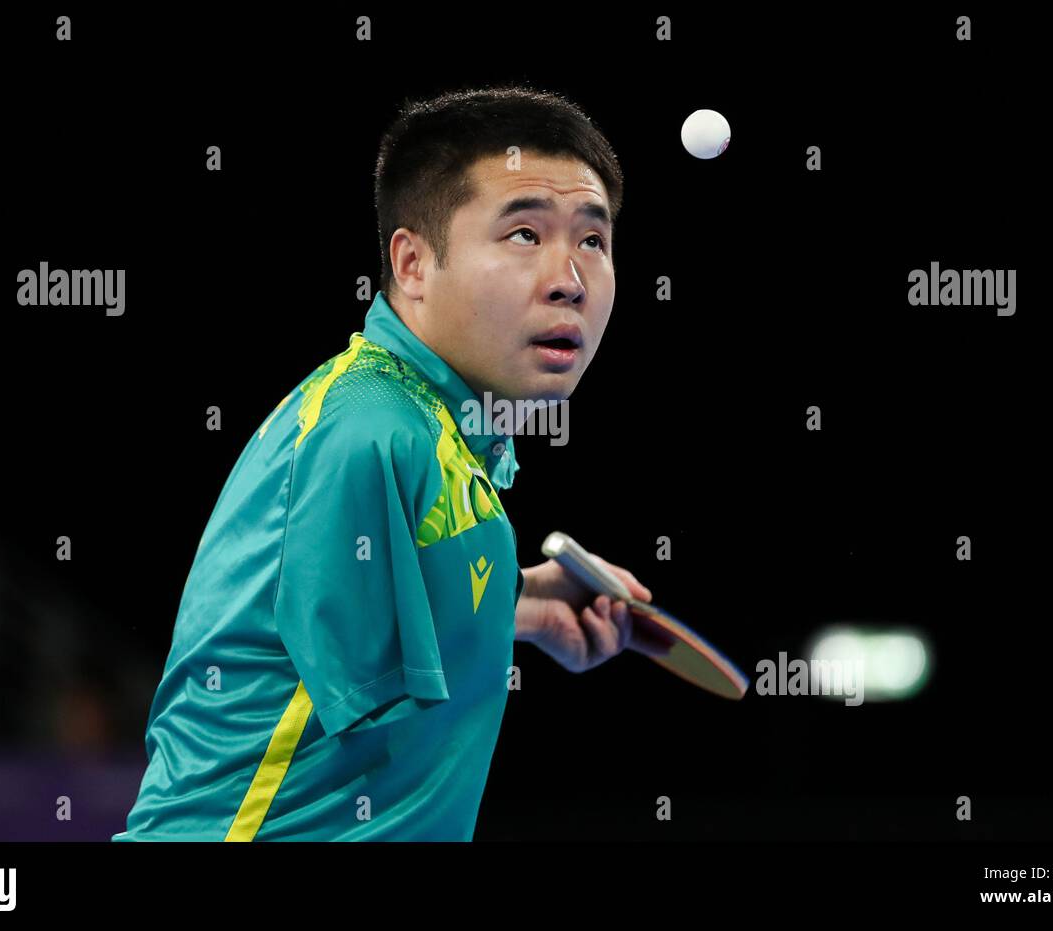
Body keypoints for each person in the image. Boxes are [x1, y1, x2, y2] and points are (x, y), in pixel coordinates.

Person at [115, 86, 663, 841]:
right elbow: (367, 702)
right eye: (526, 235)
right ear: (412, 262)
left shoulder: (436, 424)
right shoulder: (371, 429)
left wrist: (518, 604)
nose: (569, 277)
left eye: (593, 241)